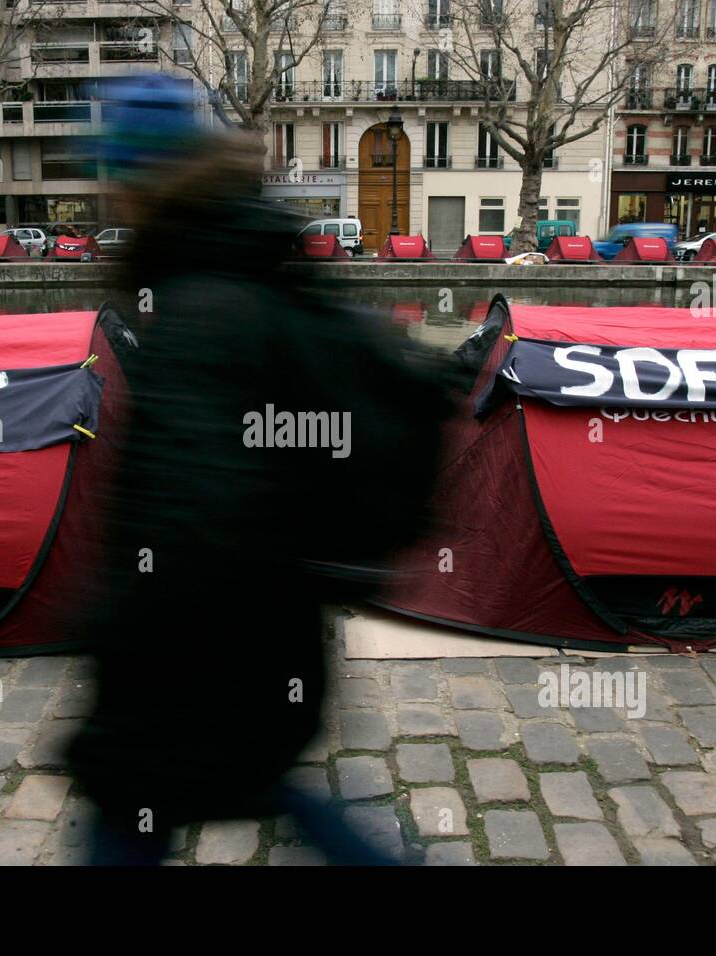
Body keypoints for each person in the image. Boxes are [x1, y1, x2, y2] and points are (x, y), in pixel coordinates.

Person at [67, 76, 453, 865]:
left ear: (138, 180)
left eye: (114, 178)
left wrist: (119, 632)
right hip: (266, 633)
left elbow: (191, 505)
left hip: (197, 650)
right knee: (262, 785)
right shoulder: (249, 261)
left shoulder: (196, 300)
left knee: (136, 806)